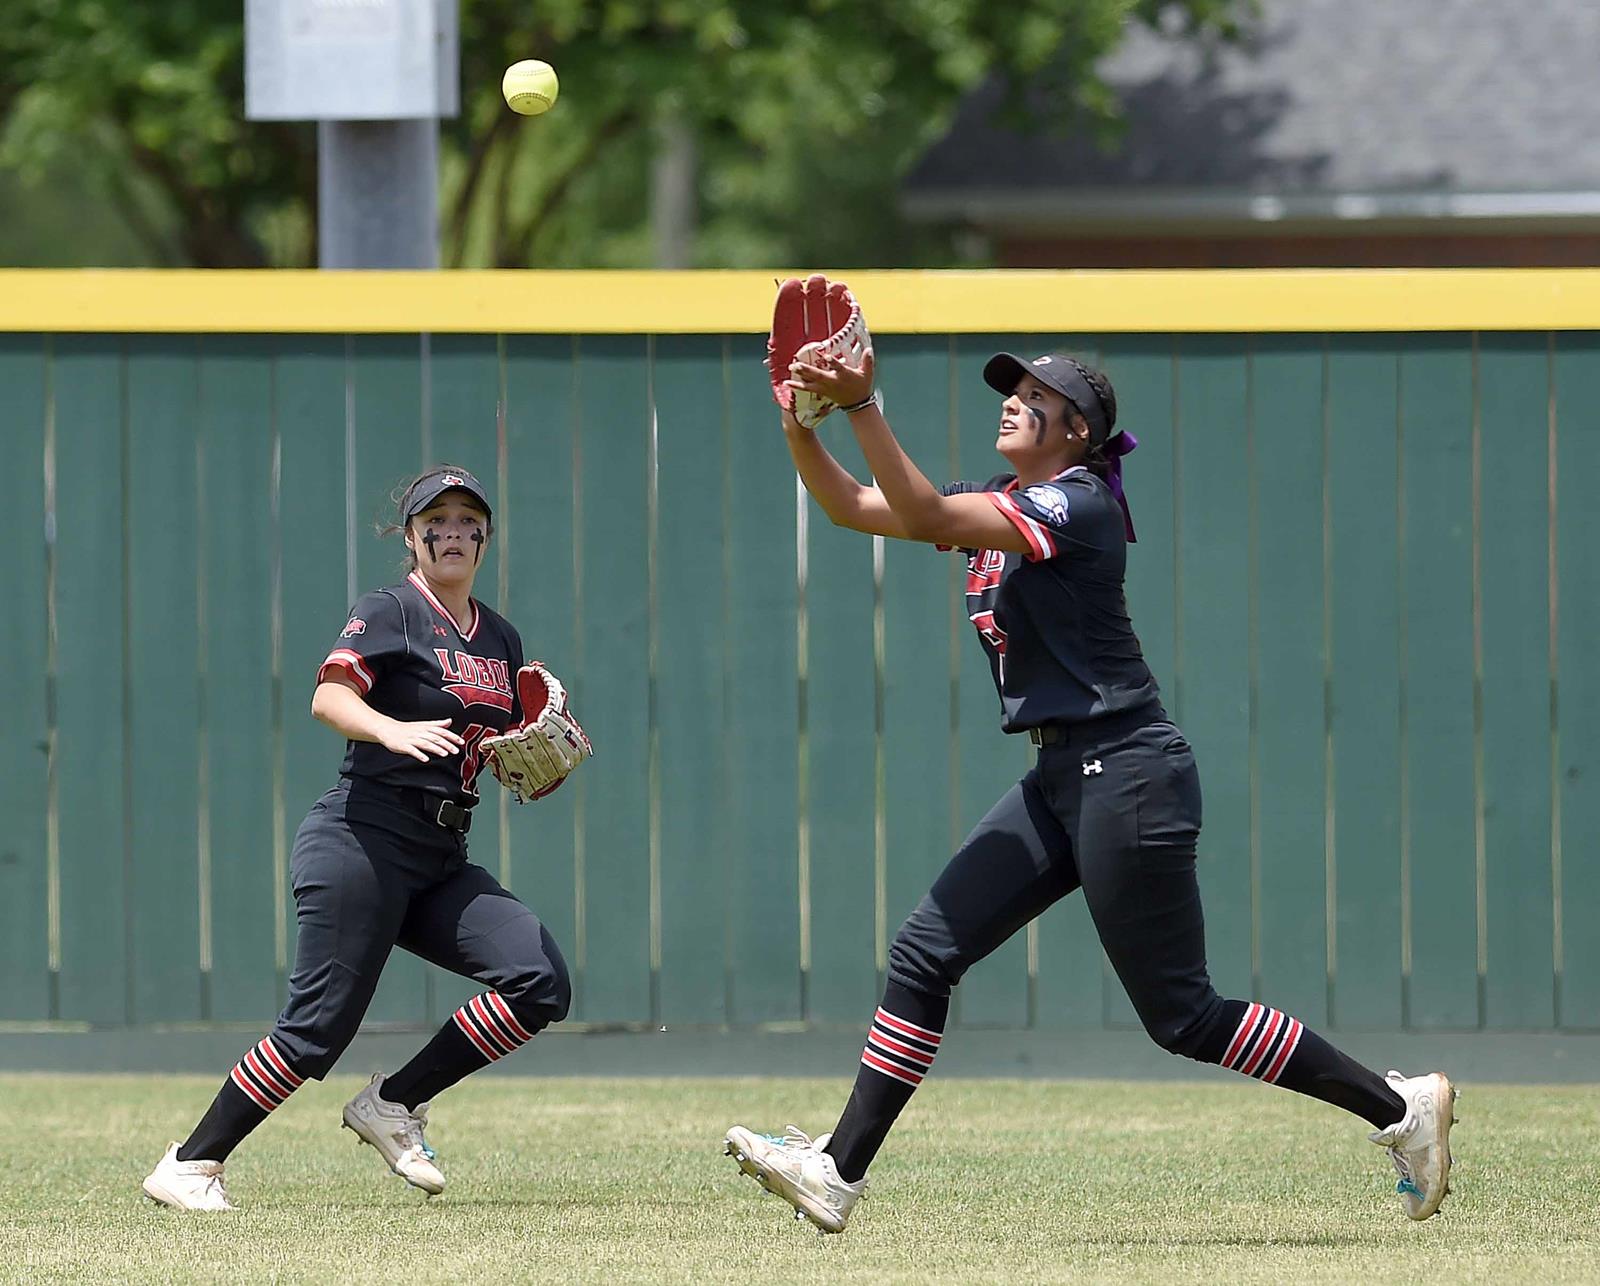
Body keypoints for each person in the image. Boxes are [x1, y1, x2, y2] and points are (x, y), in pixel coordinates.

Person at [723, 341, 1455, 1232]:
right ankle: (836, 1172)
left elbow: (912, 503)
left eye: (1036, 397)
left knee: (1184, 1016)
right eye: (1014, 389)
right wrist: (801, 423)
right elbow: (853, 507)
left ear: (1078, 431)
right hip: (1064, 772)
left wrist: (864, 403)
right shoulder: (1010, 500)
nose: (1013, 403)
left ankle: (1400, 1108)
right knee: (925, 953)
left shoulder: (1080, 502)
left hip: (1130, 769)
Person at [142, 465, 576, 1211]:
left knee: (540, 981)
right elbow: (330, 695)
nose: (453, 533)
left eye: (469, 520)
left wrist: (533, 751)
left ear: (486, 539)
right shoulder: (389, 609)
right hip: (362, 841)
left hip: (440, 857)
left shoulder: (500, 637)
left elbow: (501, 744)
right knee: (316, 1031)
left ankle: (393, 1104)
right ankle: (189, 1163)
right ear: (410, 537)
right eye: (434, 520)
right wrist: (389, 728)